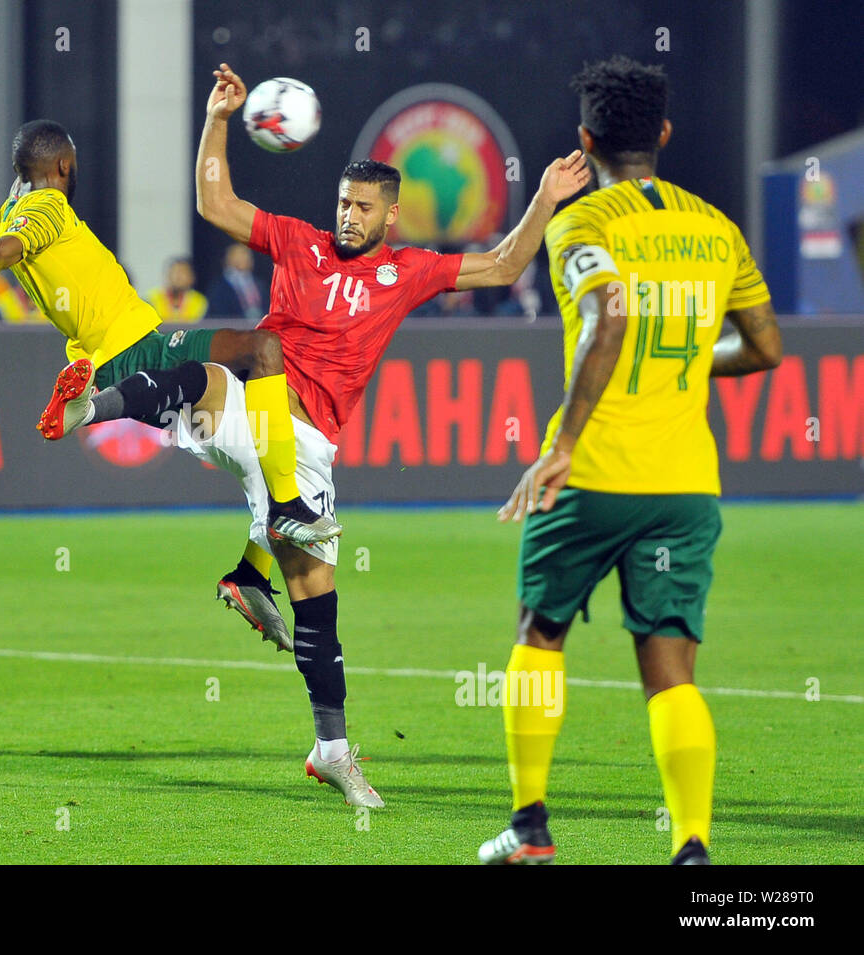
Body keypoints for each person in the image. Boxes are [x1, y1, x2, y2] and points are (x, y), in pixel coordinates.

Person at [177, 63, 588, 807]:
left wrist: (544, 201)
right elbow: (215, 200)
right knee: (206, 383)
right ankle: (99, 405)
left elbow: (502, 264)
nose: (348, 217)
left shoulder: (410, 270)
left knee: (319, 599)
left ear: (390, 215)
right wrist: (215, 119)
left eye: (363, 207)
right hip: (250, 408)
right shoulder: (296, 242)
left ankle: (327, 739)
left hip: (309, 448)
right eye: (343, 202)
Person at [479, 56, 781, 866]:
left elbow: (610, 317)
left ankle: (531, 828)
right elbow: (766, 346)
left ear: (585, 138)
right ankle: (690, 847)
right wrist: (682, 361)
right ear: (665, 134)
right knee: (670, 668)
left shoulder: (586, 221)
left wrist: (565, 442)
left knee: (539, 635)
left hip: (593, 474)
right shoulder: (718, 228)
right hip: (685, 484)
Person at [0, 119, 343, 554]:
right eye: (73, 163)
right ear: (64, 166)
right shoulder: (49, 208)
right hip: (129, 349)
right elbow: (3, 251)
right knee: (262, 359)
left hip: (128, 347)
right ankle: (282, 513)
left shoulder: (13, 210)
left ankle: (257, 561)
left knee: (259, 403)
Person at [205, 242, 266, 320]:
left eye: (247, 254)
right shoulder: (218, 287)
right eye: (240, 255)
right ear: (228, 259)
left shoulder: (260, 284)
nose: (245, 258)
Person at [146, 256, 208, 322]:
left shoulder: (199, 301)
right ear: (167, 275)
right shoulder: (152, 298)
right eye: (174, 272)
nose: (178, 277)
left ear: (192, 277)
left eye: (183, 272)